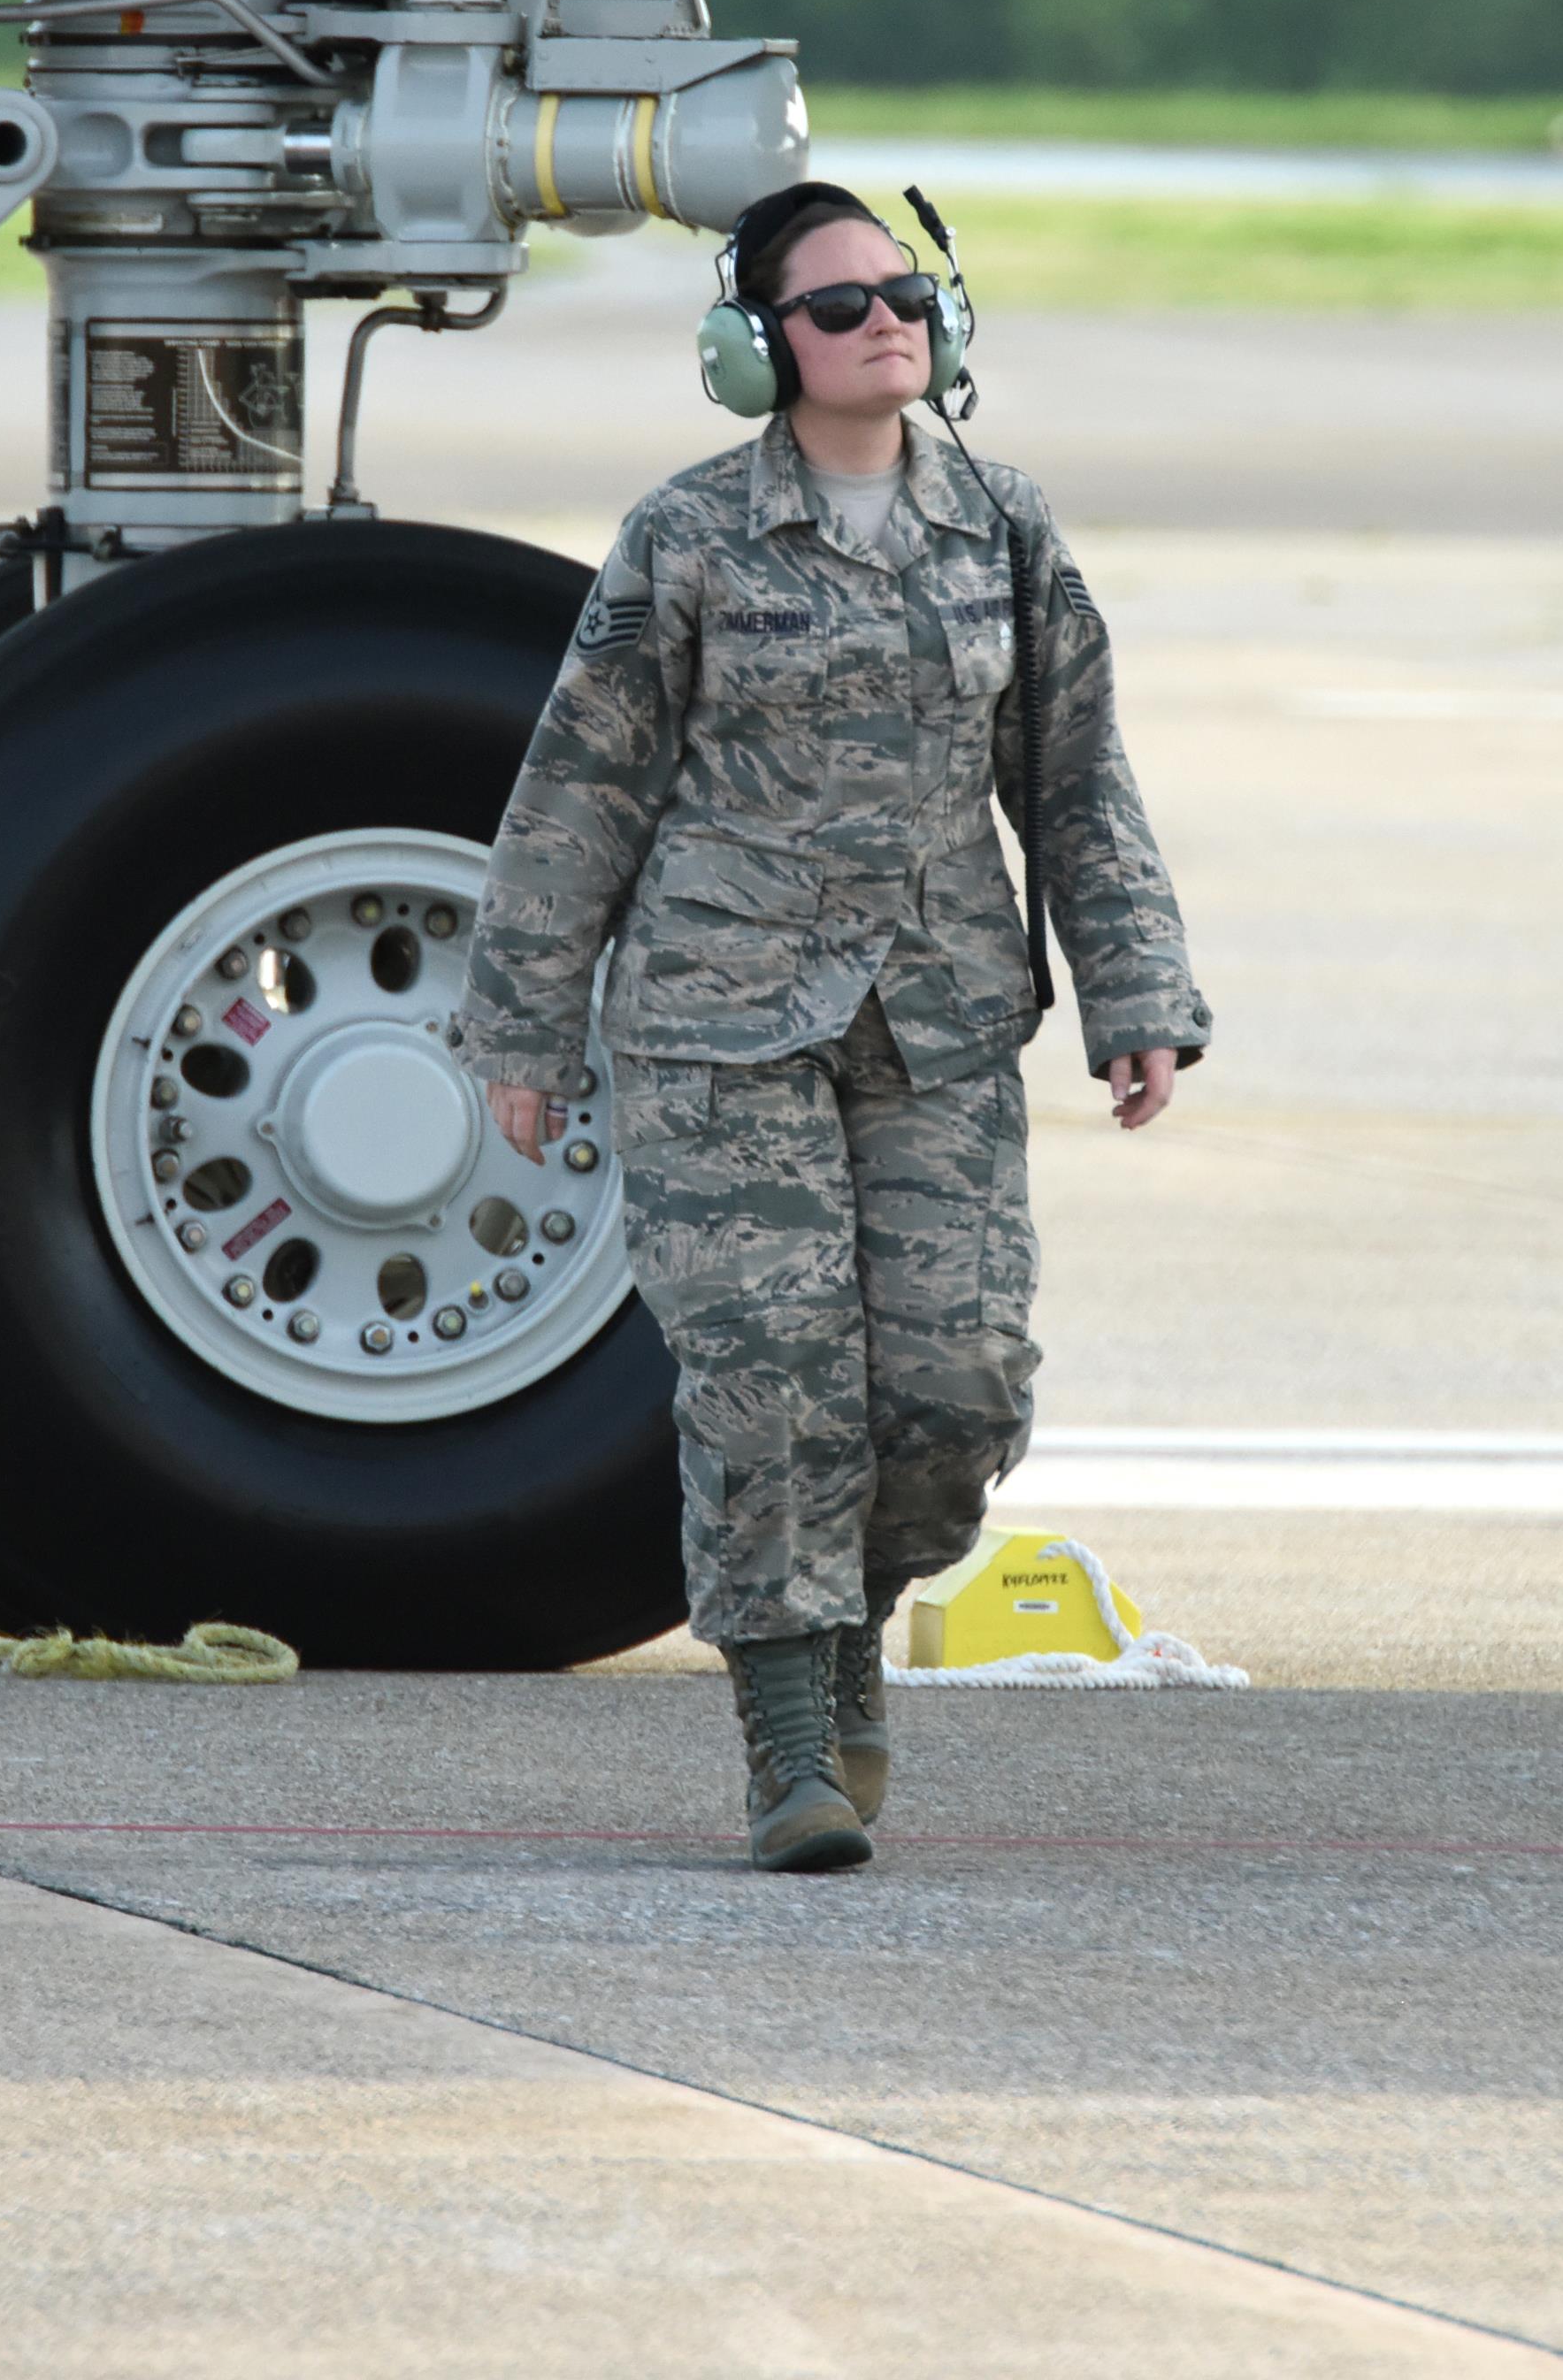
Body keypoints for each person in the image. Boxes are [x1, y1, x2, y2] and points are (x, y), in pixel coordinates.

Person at [452, 179, 1209, 1872]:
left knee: (959, 1385)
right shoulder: (693, 535)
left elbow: (1075, 776)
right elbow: (584, 783)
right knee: (771, 1380)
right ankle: (789, 1736)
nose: (888, 324)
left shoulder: (1003, 528)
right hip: (719, 1027)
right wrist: (522, 1024)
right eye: (843, 305)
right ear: (758, 348)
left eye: (909, 295)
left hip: (935, 1018)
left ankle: (851, 1609)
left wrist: (1135, 990)